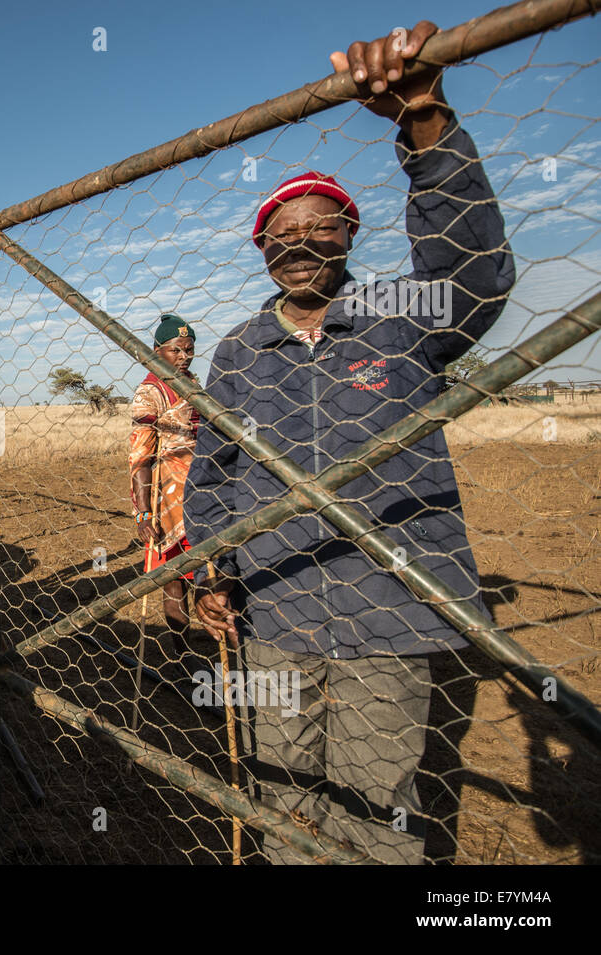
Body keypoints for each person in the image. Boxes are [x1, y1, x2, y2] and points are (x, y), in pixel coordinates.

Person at [185, 21, 515, 864]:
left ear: (350, 236)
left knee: (376, 807)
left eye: (321, 228)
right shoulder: (235, 353)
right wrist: (215, 570)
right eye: (281, 233)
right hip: (277, 611)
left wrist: (424, 122)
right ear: (262, 251)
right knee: (285, 795)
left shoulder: (404, 321)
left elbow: (475, 275)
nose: (300, 243)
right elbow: (213, 474)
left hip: (391, 617)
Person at [129, 313, 200, 650]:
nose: (183, 357)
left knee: (211, 573)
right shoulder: (150, 392)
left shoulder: (194, 385)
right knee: (175, 580)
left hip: (203, 491)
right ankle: (182, 656)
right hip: (169, 500)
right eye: (176, 350)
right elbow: (140, 457)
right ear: (157, 351)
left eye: (189, 350)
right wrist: (143, 513)